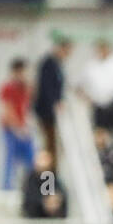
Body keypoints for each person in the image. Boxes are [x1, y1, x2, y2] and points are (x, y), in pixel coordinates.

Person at [34, 35, 73, 169]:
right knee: (49, 147)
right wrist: (55, 103)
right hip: (47, 112)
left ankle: (52, 177)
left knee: (55, 147)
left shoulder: (57, 64)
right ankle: (48, 182)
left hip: (53, 113)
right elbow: (46, 86)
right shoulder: (48, 63)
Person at [0, 58, 34, 190]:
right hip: (10, 130)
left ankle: (32, 189)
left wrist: (26, 126)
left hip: (25, 129)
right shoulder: (7, 88)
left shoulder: (26, 88)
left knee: (31, 160)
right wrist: (17, 128)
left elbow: (27, 108)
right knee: (10, 160)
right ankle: (7, 189)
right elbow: (7, 110)